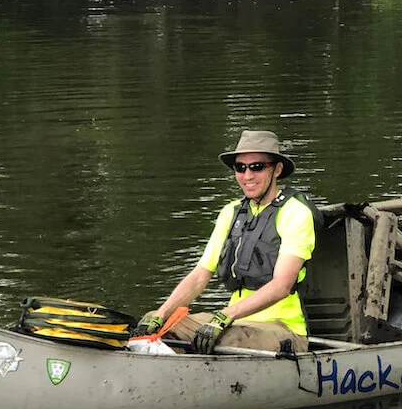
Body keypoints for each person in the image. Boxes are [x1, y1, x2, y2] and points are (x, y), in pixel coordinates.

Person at [134, 130, 321, 354]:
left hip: (282, 327)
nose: (247, 175)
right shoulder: (230, 212)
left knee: (226, 340)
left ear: (277, 169)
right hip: (232, 321)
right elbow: (199, 275)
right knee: (158, 327)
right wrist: (161, 314)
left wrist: (227, 315)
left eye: (257, 167)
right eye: (240, 168)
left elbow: (281, 286)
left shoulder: (296, 213)